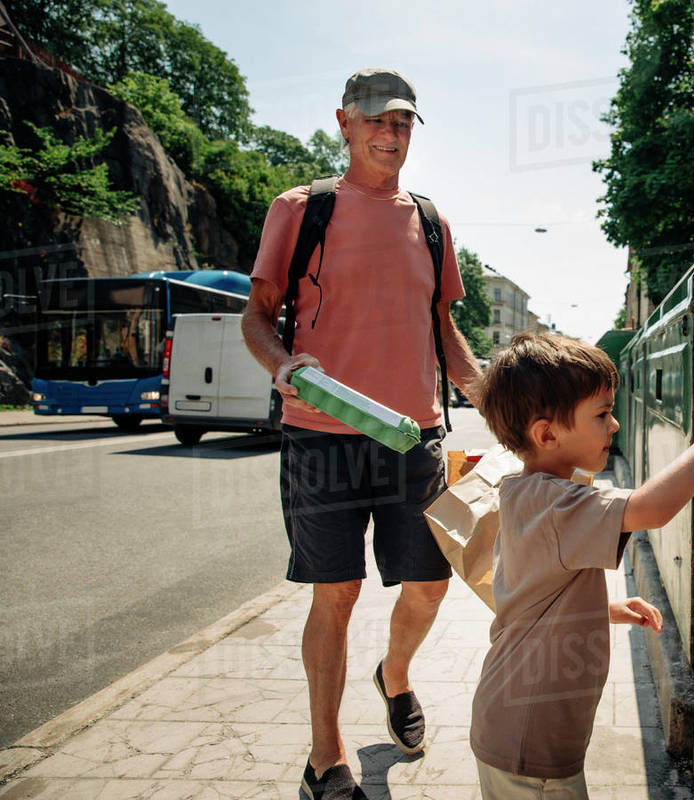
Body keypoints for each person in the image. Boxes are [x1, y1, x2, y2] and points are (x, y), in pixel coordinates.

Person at [242, 68, 483, 800]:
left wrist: (496, 399)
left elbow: (444, 330)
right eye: (377, 120)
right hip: (322, 435)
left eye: (403, 122)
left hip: (416, 438)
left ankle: (396, 675)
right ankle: (325, 758)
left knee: (432, 584)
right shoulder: (301, 209)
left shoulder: (432, 221)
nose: (390, 134)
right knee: (335, 594)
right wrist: (283, 366)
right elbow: (257, 315)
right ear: (344, 123)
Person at [470, 331, 694, 798]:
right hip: (530, 743)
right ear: (547, 433)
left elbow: (526, 595)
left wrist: (603, 610)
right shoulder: (558, 503)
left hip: (512, 724)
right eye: (602, 414)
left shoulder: (525, 492)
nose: (615, 425)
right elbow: (653, 508)